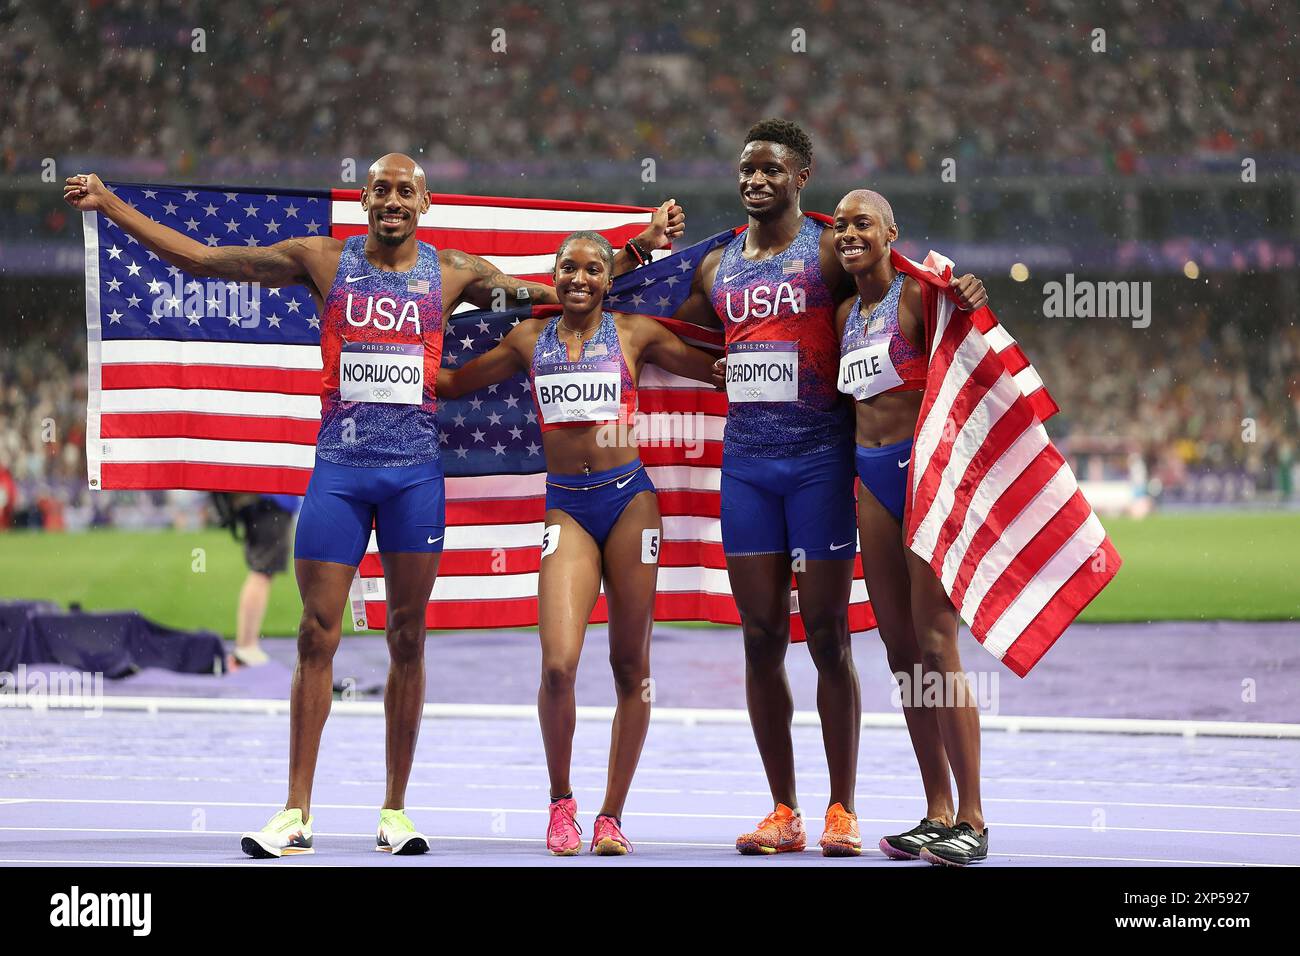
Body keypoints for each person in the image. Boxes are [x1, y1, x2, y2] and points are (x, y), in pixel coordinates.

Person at [64, 157, 684, 858]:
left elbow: (564, 293)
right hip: (339, 473)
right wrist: (111, 205)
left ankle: (395, 810)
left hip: (414, 476)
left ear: (424, 202)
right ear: (365, 198)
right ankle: (295, 810)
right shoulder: (321, 259)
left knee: (408, 638)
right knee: (314, 634)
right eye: (381, 189)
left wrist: (635, 248)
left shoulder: (455, 273)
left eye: (405, 191)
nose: (392, 200)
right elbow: (209, 260)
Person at [668, 119, 987, 856]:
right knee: (763, 639)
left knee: (837, 637)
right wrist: (704, 364)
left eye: (771, 170)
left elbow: (904, 280)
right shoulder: (717, 269)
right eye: (746, 169)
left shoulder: (829, 258)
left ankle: (854, 808)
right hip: (748, 466)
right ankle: (788, 809)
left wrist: (961, 287)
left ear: (800, 176)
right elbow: (659, 328)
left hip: (824, 465)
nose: (756, 180)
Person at [439, 232, 720, 855]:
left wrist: (774, 357)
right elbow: (455, 385)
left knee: (630, 666)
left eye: (594, 269)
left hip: (631, 503)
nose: (580, 279)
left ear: (608, 278)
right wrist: (386, 351)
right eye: (569, 268)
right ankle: (561, 803)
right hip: (566, 505)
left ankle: (611, 816)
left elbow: (713, 370)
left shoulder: (633, 333)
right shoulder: (527, 340)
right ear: (555, 274)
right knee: (559, 664)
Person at [832, 188, 988, 865]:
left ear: (892, 232)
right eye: (840, 225)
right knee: (900, 655)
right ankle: (937, 810)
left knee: (936, 643)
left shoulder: (918, 299)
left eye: (863, 222)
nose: (849, 232)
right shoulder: (843, 313)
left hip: (921, 482)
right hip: (873, 483)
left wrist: (973, 298)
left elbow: (969, 350)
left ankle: (975, 820)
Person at [212, 493, 301, 667]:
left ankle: (246, 646)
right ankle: (246, 647)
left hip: (259, 498)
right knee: (262, 573)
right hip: (270, 497)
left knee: (261, 572)